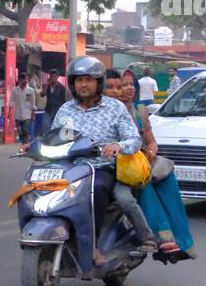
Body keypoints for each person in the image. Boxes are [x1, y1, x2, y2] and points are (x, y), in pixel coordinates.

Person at [50, 56, 142, 239]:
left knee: (96, 189)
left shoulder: (115, 108)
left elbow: (134, 139)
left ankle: (94, 244)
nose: (83, 85)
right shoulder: (66, 109)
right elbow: (54, 137)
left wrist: (118, 145)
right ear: (72, 83)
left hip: (100, 168)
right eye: (79, 80)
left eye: (88, 80)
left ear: (98, 83)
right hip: (69, 168)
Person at [106, 71, 195, 260]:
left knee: (168, 181)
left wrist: (150, 154)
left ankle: (182, 240)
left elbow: (151, 140)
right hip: (118, 165)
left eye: (130, 84)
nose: (126, 89)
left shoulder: (140, 111)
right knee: (144, 183)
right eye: (121, 85)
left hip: (140, 160)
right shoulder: (107, 111)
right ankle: (161, 235)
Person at [100, 71, 157, 254]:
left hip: (125, 169)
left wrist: (149, 151)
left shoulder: (135, 111)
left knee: (125, 199)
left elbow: (145, 140)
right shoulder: (93, 111)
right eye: (113, 87)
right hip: (96, 167)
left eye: (125, 85)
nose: (121, 90)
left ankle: (147, 237)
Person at [11, 72, 36, 145]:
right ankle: (24, 143)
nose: (25, 81)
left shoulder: (30, 90)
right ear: (20, 80)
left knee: (25, 131)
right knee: (20, 131)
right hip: (18, 115)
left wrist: (33, 113)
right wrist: (9, 112)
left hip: (27, 114)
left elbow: (33, 103)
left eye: (27, 79)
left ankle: (25, 146)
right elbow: (11, 101)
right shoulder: (15, 90)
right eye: (24, 79)